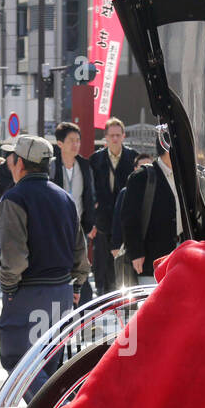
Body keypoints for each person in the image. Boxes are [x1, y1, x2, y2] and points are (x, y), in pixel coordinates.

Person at [0, 135, 90, 397]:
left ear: (20, 163)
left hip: (28, 292)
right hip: (61, 291)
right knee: (48, 365)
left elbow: (14, 258)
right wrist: (79, 283)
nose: (8, 163)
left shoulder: (14, 198)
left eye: (11, 158)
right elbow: (79, 250)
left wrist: (9, 287)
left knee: (19, 363)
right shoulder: (65, 197)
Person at [119, 143, 187, 283]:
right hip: (150, 261)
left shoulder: (186, 177)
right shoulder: (141, 177)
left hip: (181, 259)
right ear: (168, 148)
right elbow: (129, 218)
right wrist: (136, 252)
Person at [51, 121, 97, 303]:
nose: (76, 144)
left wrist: (91, 223)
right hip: (57, 228)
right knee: (61, 267)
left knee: (81, 267)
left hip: (79, 228)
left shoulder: (84, 166)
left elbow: (90, 196)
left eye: (78, 140)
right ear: (60, 144)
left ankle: (83, 304)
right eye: (71, 140)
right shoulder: (53, 167)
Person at [90, 117, 138, 293]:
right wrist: (92, 220)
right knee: (103, 262)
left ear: (123, 136)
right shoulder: (95, 160)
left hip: (125, 217)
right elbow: (91, 192)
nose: (115, 139)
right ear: (106, 137)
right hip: (103, 219)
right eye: (112, 135)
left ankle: (124, 295)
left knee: (124, 261)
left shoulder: (132, 157)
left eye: (118, 135)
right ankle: (104, 293)